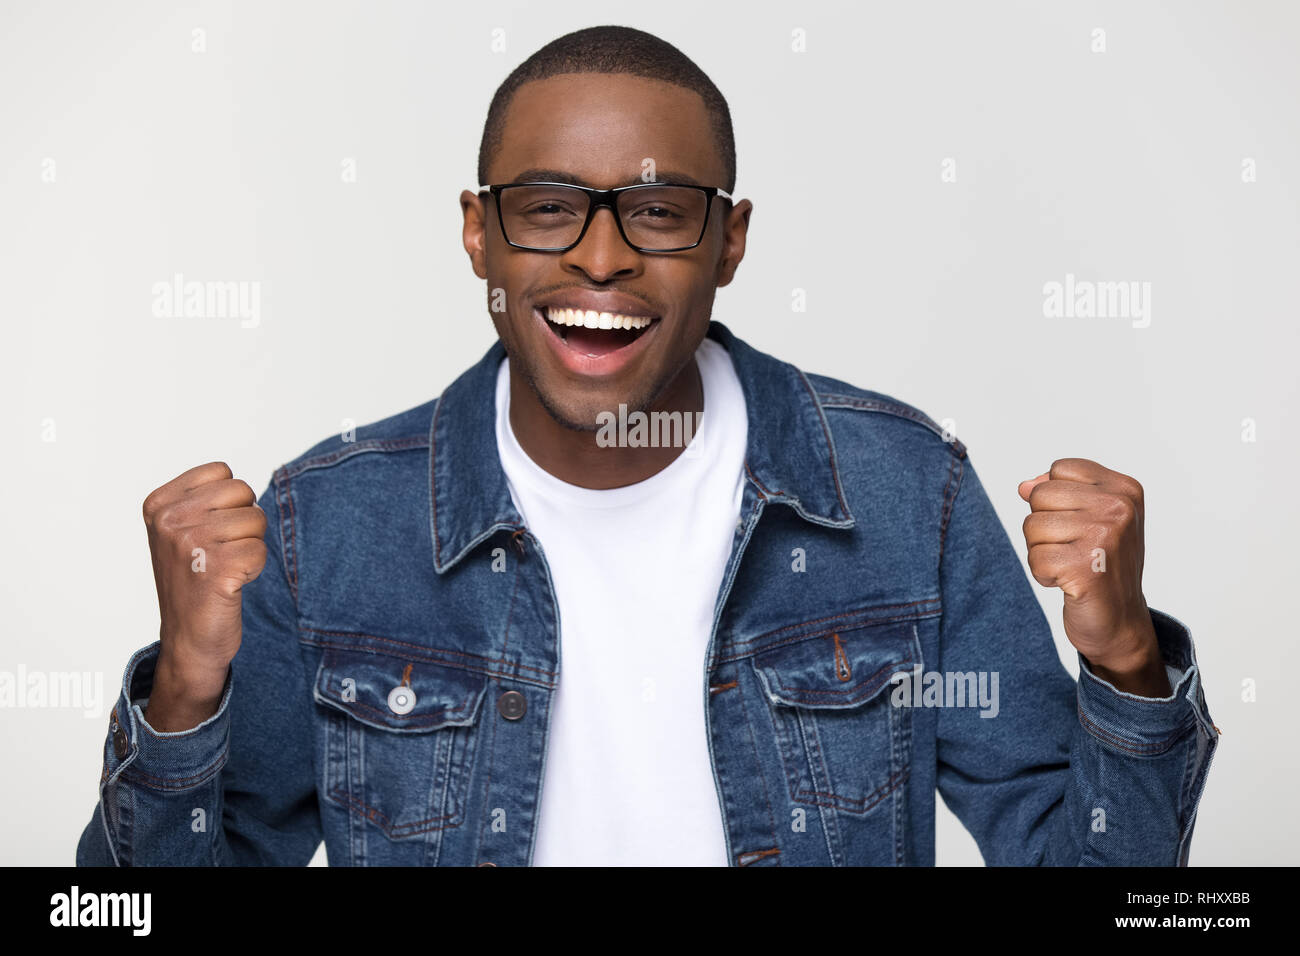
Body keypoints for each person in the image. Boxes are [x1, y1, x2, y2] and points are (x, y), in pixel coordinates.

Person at [77, 25, 1218, 867]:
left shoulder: (900, 490)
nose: (603, 258)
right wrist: (182, 690)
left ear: (729, 241)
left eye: (660, 212)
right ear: (479, 234)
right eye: (547, 205)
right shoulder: (325, 528)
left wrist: (1123, 664)